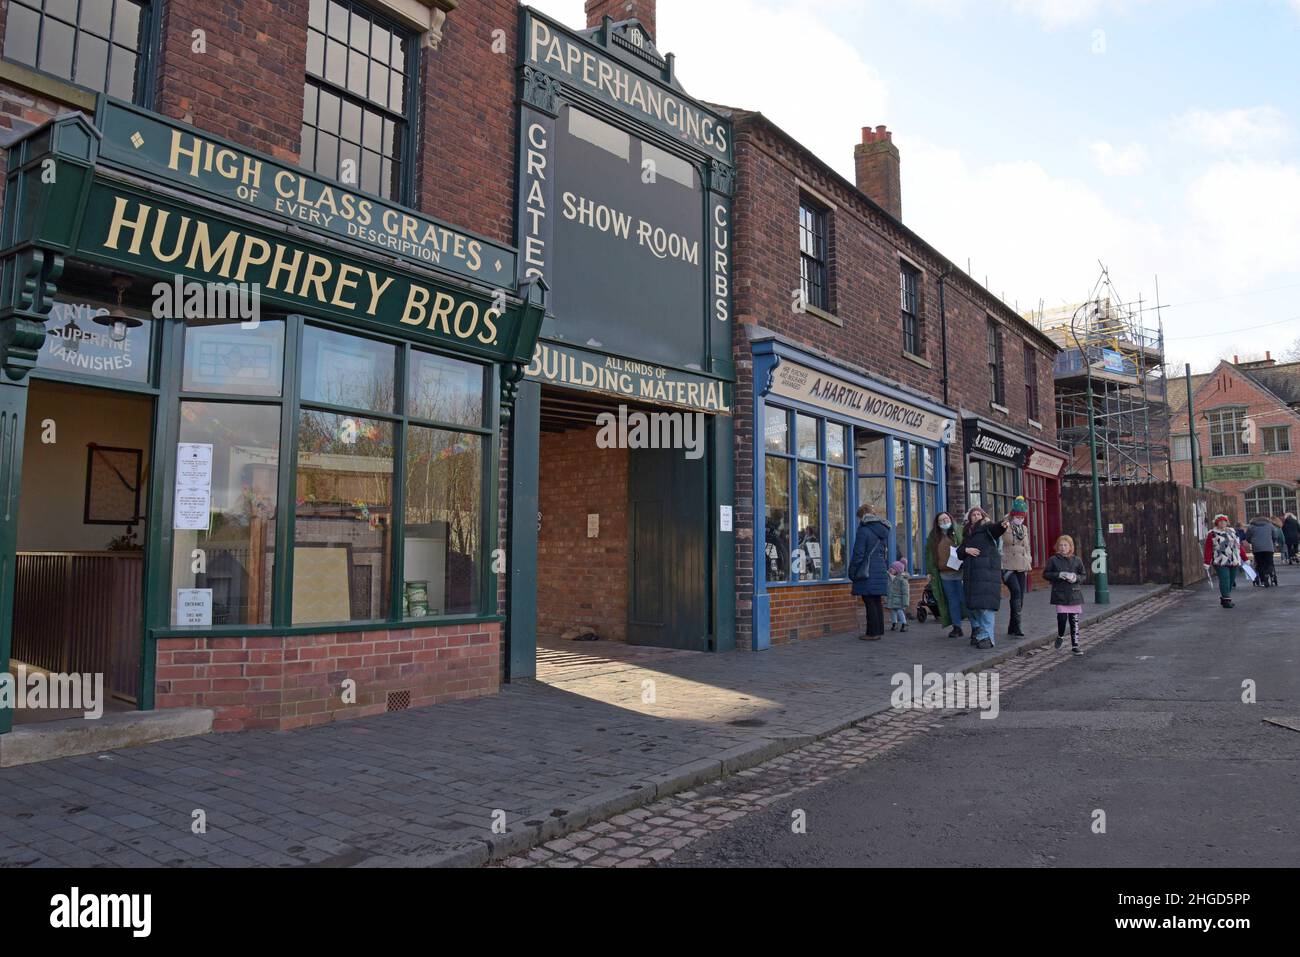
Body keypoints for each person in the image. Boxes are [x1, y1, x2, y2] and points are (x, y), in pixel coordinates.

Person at [960, 506, 1008, 650]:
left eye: (978, 514)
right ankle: (980, 635)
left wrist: (1002, 524)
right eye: (973, 515)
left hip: (986, 575)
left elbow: (996, 529)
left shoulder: (987, 528)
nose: (976, 516)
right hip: (972, 576)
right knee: (976, 609)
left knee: (986, 608)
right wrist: (966, 550)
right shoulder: (968, 533)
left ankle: (988, 638)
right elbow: (959, 551)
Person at [850, 504, 892, 641]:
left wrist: (853, 570)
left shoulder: (864, 530)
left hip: (867, 569)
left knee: (869, 601)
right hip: (879, 568)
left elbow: (859, 553)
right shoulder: (882, 529)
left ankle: (872, 633)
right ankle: (879, 630)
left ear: (862, 516)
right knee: (876, 600)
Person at [926, 511, 968, 638]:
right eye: (941, 521)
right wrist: (929, 571)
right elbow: (929, 555)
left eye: (946, 519)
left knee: (964, 599)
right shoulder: (933, 537)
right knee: (952, 601)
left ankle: (976, 626)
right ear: (937, 524)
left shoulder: (959, 531)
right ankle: (957, 627)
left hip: (960, 572)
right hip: (945, 573)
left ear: (950, 518)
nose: (944, 522)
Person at [1044, 535, 1087, 656]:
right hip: (1060, 594)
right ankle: (1060, 635)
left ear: (1070, 547)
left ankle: (1075, 645)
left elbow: (1083, 575)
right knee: (1062, 618)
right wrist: (1058, 575)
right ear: (1057, 547)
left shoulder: (1077, 560)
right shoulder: (1053, 560)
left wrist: (1076, 578)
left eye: (1065, 545)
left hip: (1074, 594)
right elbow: (1046, 574)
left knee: (1074, 620)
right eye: (1061, 545)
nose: (1063, 548)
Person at [1000, 495, 1032, 637]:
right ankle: (1017, 626)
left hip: (1022, 565)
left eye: (1022, 516)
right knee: (1016, 592)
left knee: (1020, 597)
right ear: (1012, 515)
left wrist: (1029, 559)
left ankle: (1013, 626)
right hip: (1007, 565)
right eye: (1017, 516)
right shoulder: (1005, 526)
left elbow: (1027, 546)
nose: (1020, 519)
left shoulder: (1024, 529)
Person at [1204, 514, 1248, 609]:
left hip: (1233, 560)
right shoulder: (1212, 534)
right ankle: (1227, 599)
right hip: (1220, 560)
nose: (1223, 523)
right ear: (1217, 523)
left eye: (1224, 521)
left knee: (1231, 580)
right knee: (1225, 578)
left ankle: (1224, 598)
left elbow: (1238, 546)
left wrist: (1245, 558)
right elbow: (1208, 549)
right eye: (1220, 521)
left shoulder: (1232, 531)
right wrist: (1207, 562)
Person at [1245, 514, 1278, 585]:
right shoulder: (1270, 525)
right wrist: (1272, 541)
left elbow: (1247, 538)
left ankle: (1262, 579)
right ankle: (1269, 574)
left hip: (1257, 548)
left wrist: (1252, 541)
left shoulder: (1251, 527)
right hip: (1268, 547)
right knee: (1269, 562)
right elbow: (1275, 536)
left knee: (1259, 564)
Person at [886, 560, 910, 632]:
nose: (891, 569)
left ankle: (904, 624)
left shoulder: (902, 580)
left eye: (893, 568)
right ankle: (894, 623)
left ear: (897, 570)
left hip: (899, 599)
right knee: (893, 611)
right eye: (891, 567)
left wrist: (905, 602)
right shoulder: (890, 578)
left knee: (900, 611)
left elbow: (905, 592)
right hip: (892, 598)